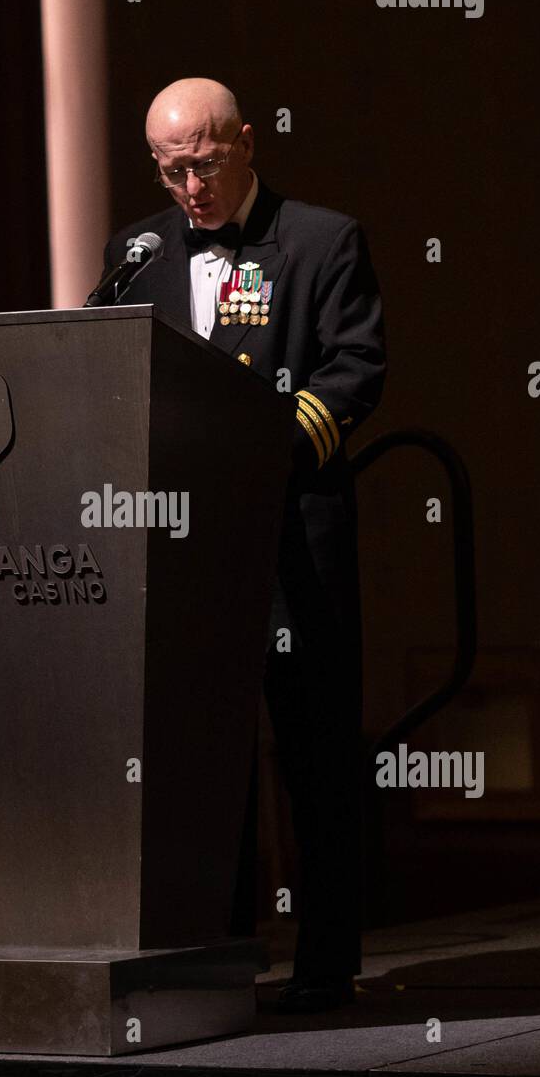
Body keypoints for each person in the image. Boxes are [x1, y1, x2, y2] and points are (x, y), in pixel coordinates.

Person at [102, 78, 387, 1013]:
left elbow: (354, 366)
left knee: (314, 756)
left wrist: (262, 454)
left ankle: (326, 966)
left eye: (206, 164)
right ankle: (214, 968)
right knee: (198, 767)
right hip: (186, 553)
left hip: (292, 538)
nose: (190, 188)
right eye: (171, 170)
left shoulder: (320, 240)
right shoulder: (136, 254)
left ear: (248, 144)